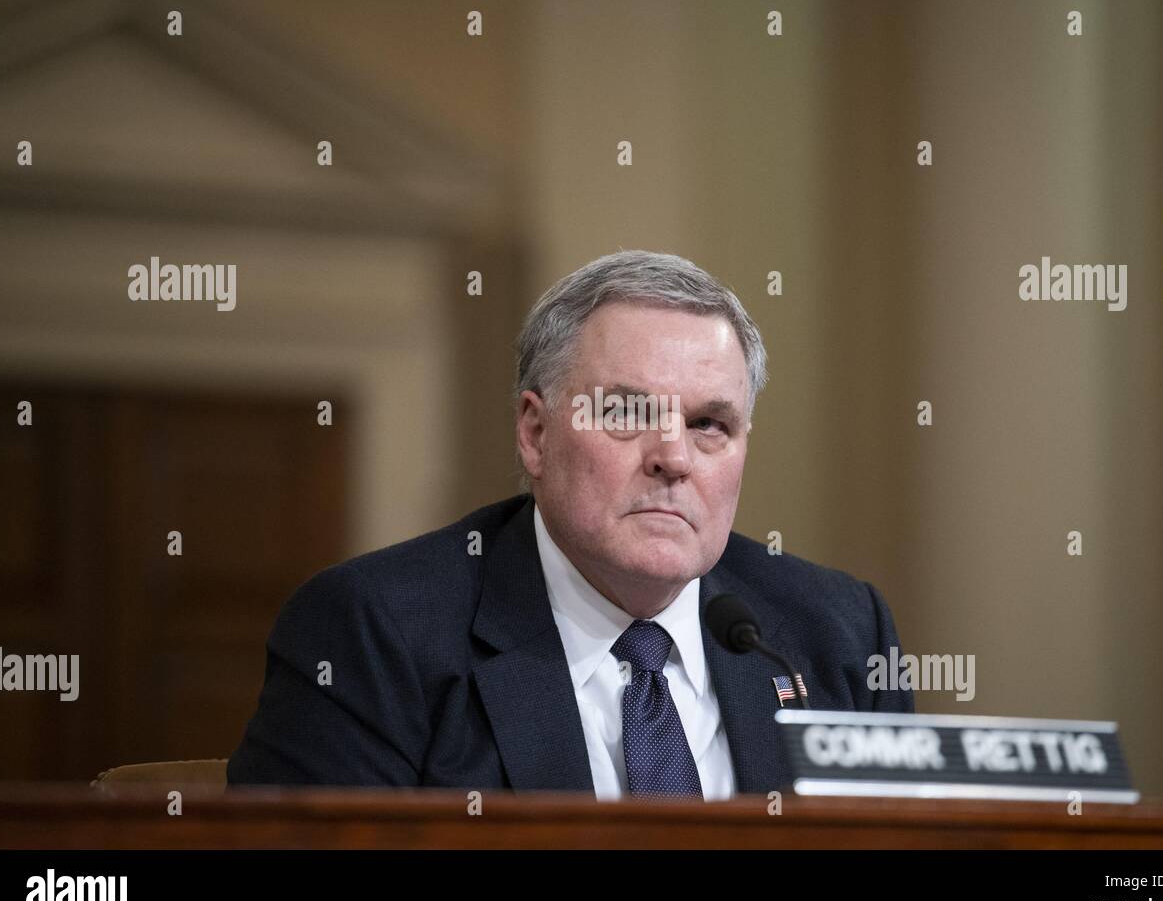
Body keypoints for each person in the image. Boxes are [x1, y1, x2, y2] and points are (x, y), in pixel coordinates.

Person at [227, 249, 913, 798]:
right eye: (626, 414)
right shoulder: (374, 632)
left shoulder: (836, 634)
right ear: (535, 433)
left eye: (709, 424)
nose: (673, 457)